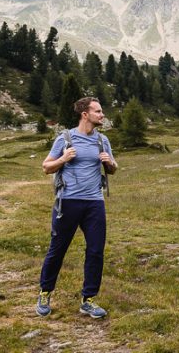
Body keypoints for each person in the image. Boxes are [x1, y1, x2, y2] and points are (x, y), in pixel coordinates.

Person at [35, 97, 117, 319]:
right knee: (57, 249)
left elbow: (113, 169)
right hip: (68, 202)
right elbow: (46, 167)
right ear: (85, 114)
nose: (102, 115)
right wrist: (63, 159)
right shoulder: (66, 138)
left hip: (94, 203)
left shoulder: (102, 140)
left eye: (102, 111)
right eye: (98, 111)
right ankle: (44, 293)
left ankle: (88, 300)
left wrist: (109, 162)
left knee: (95, 251)